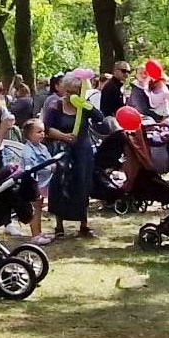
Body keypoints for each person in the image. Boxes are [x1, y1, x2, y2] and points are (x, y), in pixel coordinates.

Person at [44, 72, 106, 241]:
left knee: (82, 184)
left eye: (77, 91)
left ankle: (83, 225)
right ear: (65, 90)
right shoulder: (56, 106)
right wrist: (64, 136)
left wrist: (86, 106)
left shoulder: (83, 106)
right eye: (70, 91)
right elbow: (48, 128)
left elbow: (100, 118)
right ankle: (59, 225)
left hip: (82, 151)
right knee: (61, 184)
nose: (73, 94)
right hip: (63, 150)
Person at [13, 118, 53, 239]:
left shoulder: (42, 147)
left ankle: (39, 232)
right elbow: (32, 168)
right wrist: (50, 168)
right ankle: (35, 235)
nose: (42, 134)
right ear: (29, 135)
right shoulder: (28, 151)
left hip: (42, 182)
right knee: (35, 209)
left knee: (39, 208)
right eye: (38, 132)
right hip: (32, 184)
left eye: (43, 131)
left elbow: (49, 160)